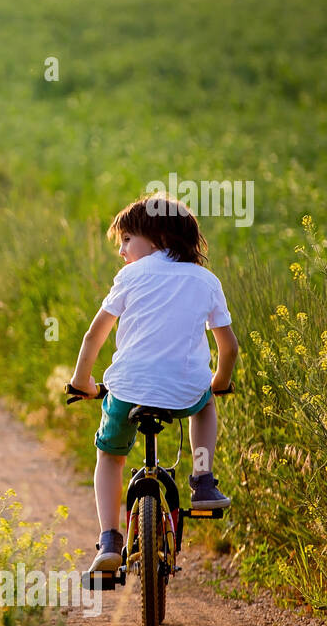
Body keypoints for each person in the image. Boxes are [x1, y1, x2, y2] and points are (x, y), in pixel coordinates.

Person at [68, 195, 239, 572]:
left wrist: (82, 381)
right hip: (185, 392)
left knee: (110, 455)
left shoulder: (130, 277)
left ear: (158, 237)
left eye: (128, 240)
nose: (123, 251)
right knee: (206, 402)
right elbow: (228, 347)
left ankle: (110, 538)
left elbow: (94, 336)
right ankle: (203, 479)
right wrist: (219, 383)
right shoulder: (207, 281)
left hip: (126, 391)